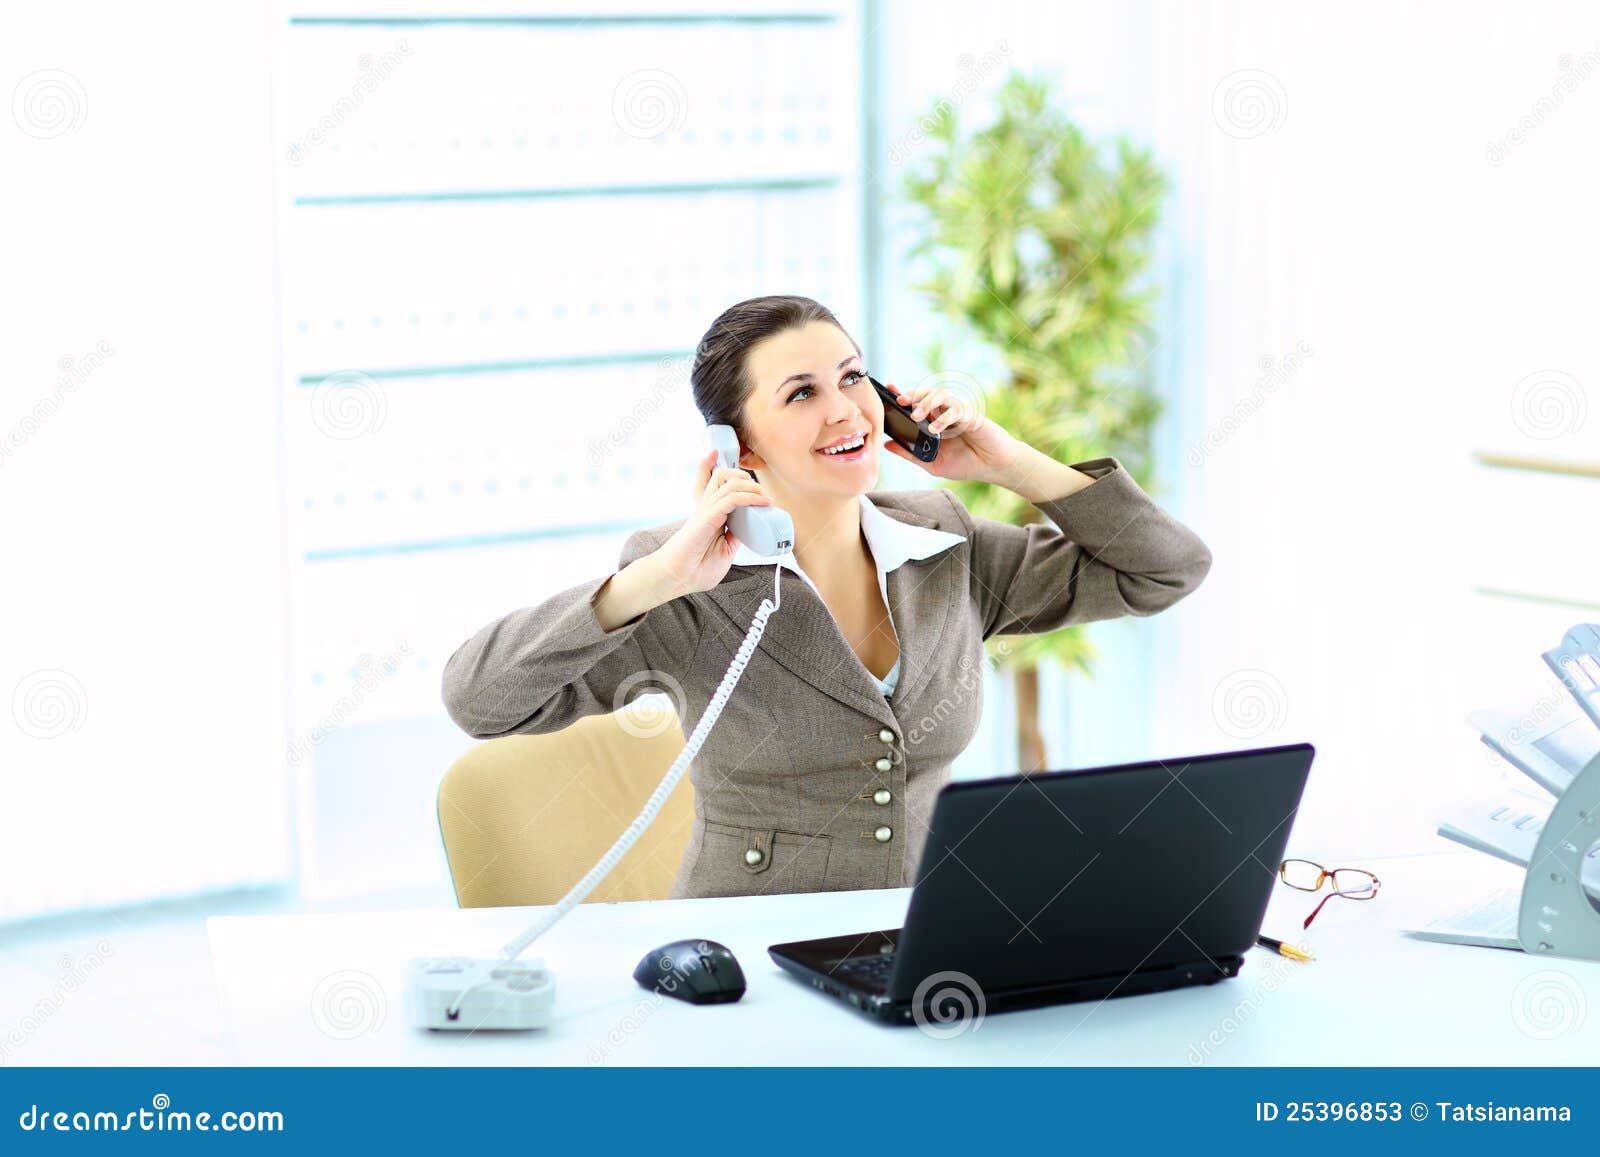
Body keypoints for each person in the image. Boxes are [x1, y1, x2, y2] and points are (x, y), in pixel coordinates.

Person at [442, 295, 1211, 899]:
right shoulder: (685, 578)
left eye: (852, 377)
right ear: (735, 446)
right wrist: (655, 581)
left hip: (925, 941)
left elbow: (1166, 569)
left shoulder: (943, 542)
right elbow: (480, 700)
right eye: (801, 393)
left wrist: (1011, 464)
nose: (845, 409)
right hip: (750, 958)